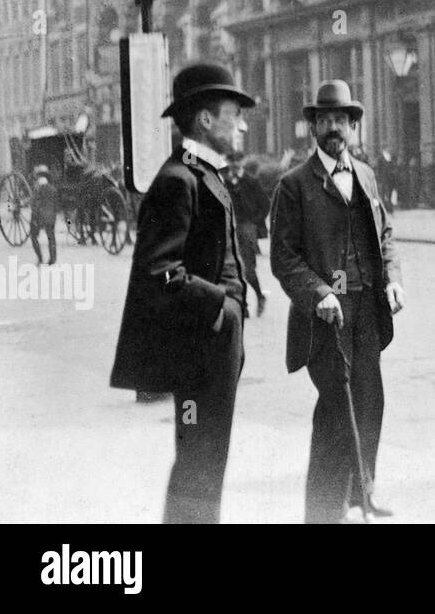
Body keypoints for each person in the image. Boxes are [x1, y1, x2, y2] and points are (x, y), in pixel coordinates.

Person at [110, 62, 255, 524]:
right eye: (234, 114)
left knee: (206, 463)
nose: (242, 125)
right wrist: (223, 307)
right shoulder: (178, 181)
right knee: (198, 464)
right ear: (205, 120)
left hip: (212, 349)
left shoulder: (201, 174)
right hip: (198, 351)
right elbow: (161, 271)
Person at [270, 79, 405, 524]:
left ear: (352, 126)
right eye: (325, 120)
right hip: (326, 318)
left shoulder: (365, 174)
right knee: (334, 406)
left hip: (367, 309)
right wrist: (319, 292)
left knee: (370, 401)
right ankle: (322, 512)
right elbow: (284, 257)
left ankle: (362, 495)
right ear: (313, 127)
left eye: (341, 120)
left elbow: (384, 234)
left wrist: (392, 279)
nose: (334, 128)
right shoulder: (294, 185)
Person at [224, 152, 271, 316]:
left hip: (246, 228)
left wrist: (254, 221)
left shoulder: (251, 181)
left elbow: (265, 204)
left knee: (248, 269)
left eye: (238, 160)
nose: (235, 164)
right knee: (233, 269)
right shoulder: (224, 180)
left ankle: (259, 295)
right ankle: (242, 305)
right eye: (231, 160)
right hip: (230, 228)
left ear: (242, 162)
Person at [29, 166, 58, 265]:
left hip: (39, 217)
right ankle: (52, 259)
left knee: (33, 236)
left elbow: (35, 204)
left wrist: (34, 217)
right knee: (51, 237)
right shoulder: (53, 189)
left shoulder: (37, 189)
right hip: (51, 217)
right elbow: (57, 205)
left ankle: (40, 258)